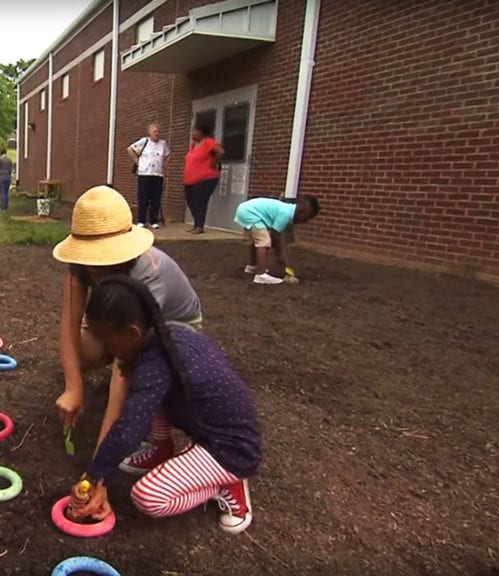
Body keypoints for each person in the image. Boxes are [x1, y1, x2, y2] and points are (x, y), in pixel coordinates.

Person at [67, 276, 261, 534]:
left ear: (133, 333)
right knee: (146, 395)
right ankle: (162, 449)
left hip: (231, 450)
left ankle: (226, 483)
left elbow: (130, 427)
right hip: (210, 428)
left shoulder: (156, 361)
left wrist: (94, 475)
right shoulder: (166, 337)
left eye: (107, 340)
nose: (105, 349)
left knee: (147, 497)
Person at [52, 185, 203, 475]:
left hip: (175, 327)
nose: (94, 267)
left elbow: (125, 360)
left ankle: (156, 432)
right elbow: (69, 321)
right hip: (120, 324)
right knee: (83, 352)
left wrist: (99, 465)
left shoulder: (148, 273)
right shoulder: (79, 263)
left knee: (143, 371)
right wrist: (73, 387)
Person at [235, 195, 321, 285]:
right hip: (250, 212)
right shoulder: (286, 214)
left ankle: (252, 266)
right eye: (306, 218)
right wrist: (281, 257)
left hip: (246, 209)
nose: (304, 221)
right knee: (264, 241)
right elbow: (275, 235)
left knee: (258, 240)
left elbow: (277, 235)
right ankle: (261, 275)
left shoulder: (286, 210)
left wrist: (280, 253)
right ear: (303, 211)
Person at [127, 123, 170, 229]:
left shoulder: (163, 144)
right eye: (155, 131)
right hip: (145, 174)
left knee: (156, 198)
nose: (157, 133)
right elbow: (130, 149)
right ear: (150, 132)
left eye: (158, 131)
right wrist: (137, 162)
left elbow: (168, 155)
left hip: (157, 174)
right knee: (143, 197)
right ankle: (141, 220)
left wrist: (164, 165)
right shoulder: (144, 141)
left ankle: (153, 220)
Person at [183, 124, 223, 234]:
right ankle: (196, 224)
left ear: (201, 132)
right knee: (191, 202)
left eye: (194, 131)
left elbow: (220, 152)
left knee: (200, 201)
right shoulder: (193, 145)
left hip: (206, 178)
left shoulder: (208, 142)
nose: (193, 133)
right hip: (190, 180)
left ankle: (199, 226)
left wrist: (213, 163)